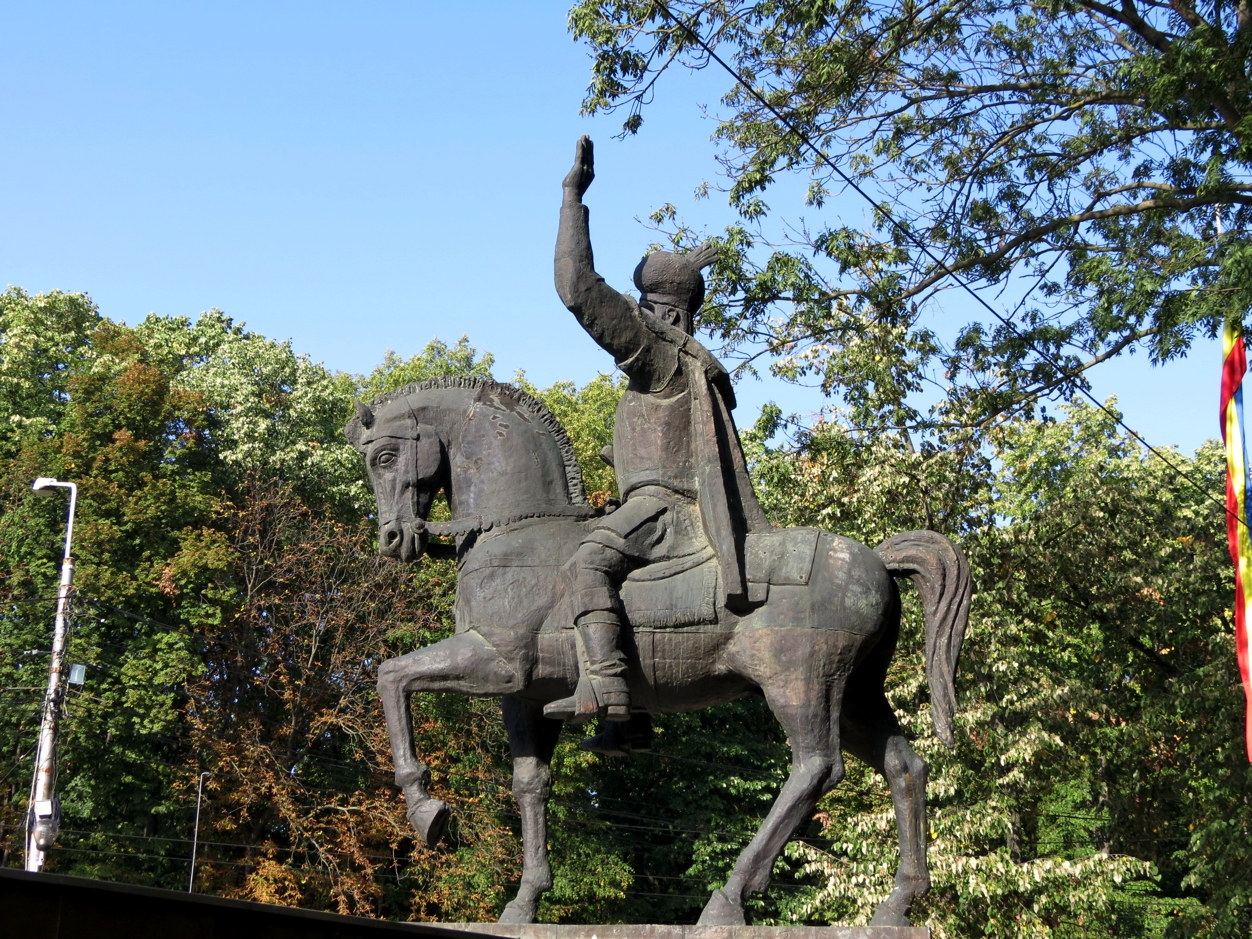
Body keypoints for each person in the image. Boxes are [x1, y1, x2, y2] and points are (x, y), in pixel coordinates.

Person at [546, 136, 772, 726]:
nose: (634, 317)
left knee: (586, 564)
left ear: (666, 315)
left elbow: (577, 288)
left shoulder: (661, 352)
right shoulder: (693, 368)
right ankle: (633, 731)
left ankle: (608, 692)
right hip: (671, 504)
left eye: (643, 306)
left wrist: (573, 198)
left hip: (665, 512)